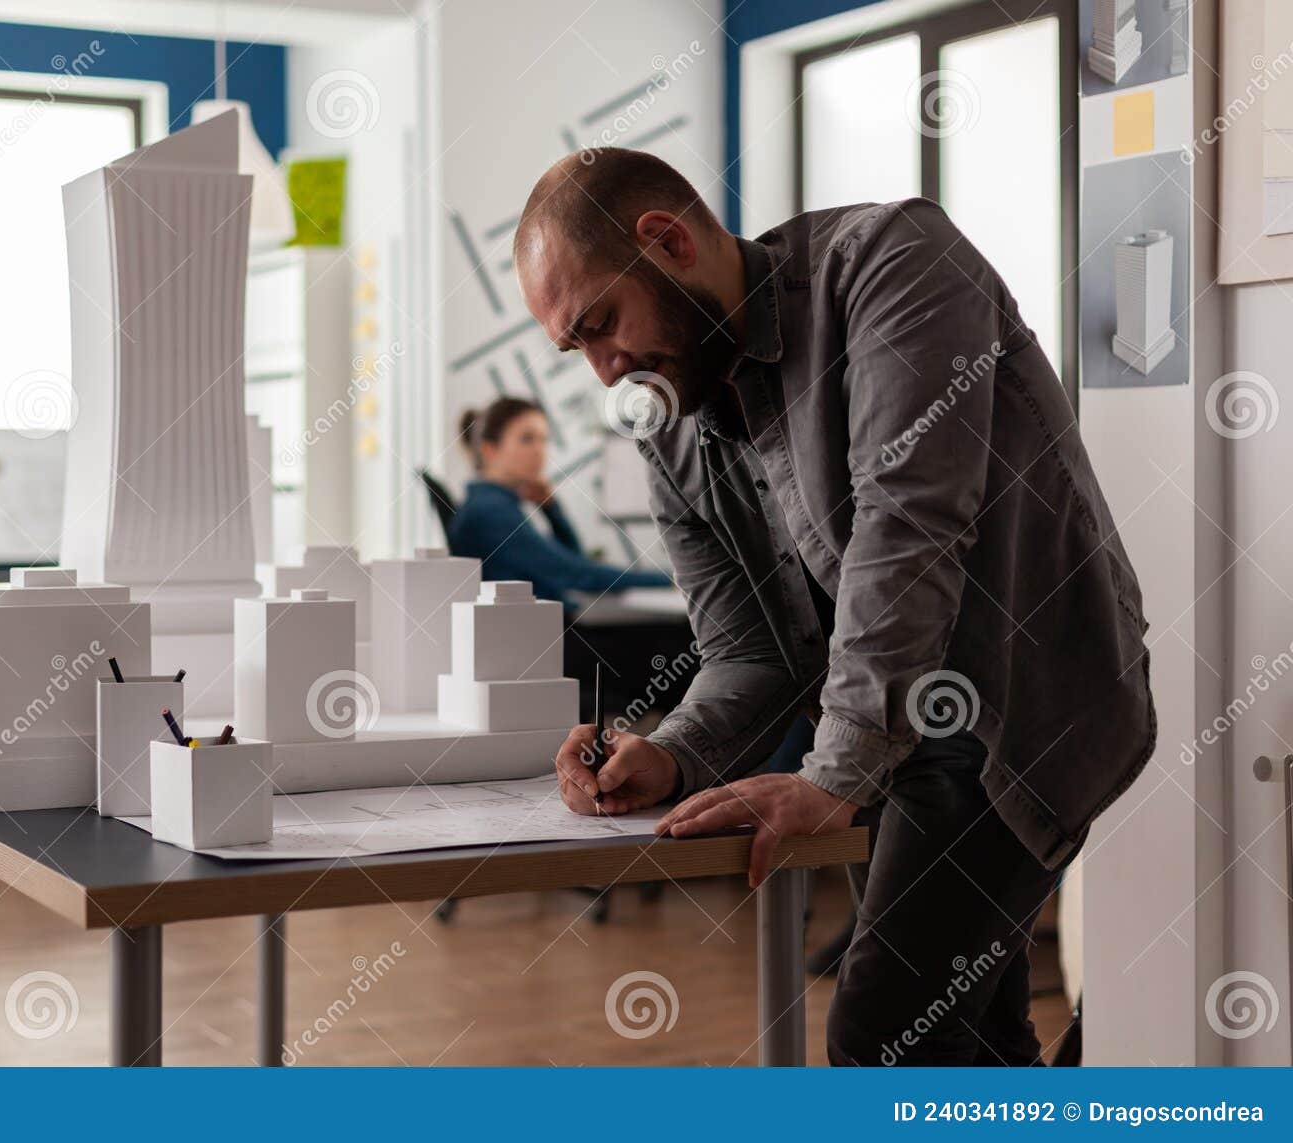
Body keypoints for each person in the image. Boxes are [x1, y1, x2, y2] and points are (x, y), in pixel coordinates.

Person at [516, 149, 1155, 1065]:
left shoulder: (893, 261)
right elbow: (746, 648)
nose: (606, 369)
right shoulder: (674, 420)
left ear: (669, 241)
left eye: (601, 324)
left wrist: (834, 774)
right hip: (890, 737)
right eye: (577, 348)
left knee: (885, 1035)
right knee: (974, 1031)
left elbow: (910, 523)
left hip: (1017, 698)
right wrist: (671, 752)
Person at [448, 397, 671, 608]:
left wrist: (551, 508)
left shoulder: (494, 503)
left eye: (543, 440)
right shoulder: (491, 511)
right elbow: (574, 574)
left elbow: (574, 559)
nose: (540, 451)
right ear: (490, 450)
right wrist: (672, 579)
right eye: (527, 439)